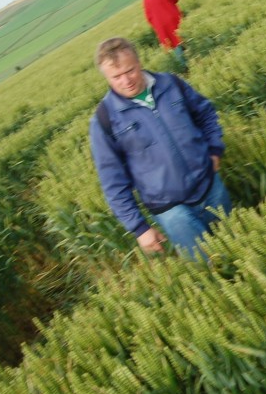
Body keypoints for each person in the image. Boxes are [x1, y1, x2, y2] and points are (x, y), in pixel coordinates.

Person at [89, 37, 230, 257]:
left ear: (139, 62)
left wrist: (214, 150)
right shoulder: (104, 120)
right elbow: (112, 181)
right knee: (207, 267)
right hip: (172, 212)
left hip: (211, 187)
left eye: (130, 71)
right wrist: (139, 228)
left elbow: (205, 114)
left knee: (240, 244)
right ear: (107, 77)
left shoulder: (171, 84)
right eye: (116, 77)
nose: (126, 81)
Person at [143, 0, 185, 68]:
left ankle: (183, 66)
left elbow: (148, 18)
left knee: (172, 43)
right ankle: (192, 58)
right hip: (174, 19)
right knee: (182, 36)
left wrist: (157, 24)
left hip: (161, 26)